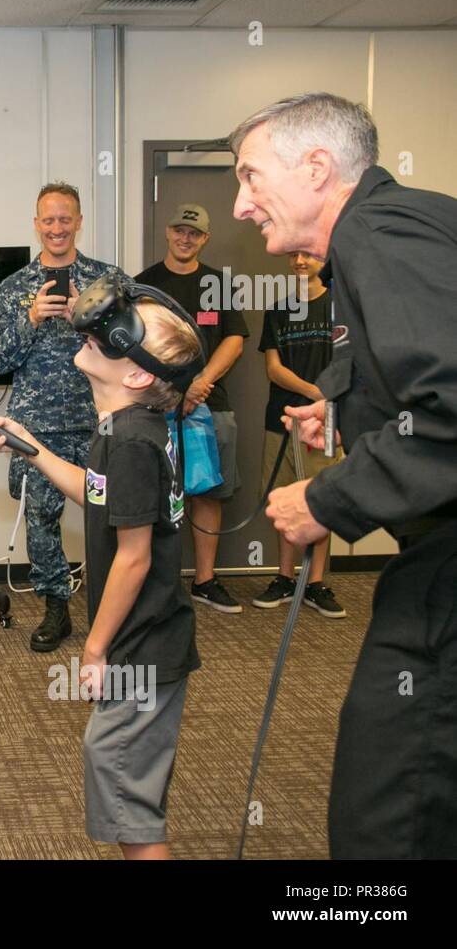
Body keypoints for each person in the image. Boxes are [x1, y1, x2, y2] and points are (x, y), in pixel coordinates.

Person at [232, 92, 457, 858]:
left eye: (251, 178)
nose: (239, 204)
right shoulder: (407, 220)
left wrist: (327, 499)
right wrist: (345, 402)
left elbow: (450, 410)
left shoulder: (378, 235)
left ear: (318, 168)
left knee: (389, 805)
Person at [0, 299, 202, 859]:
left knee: (128, 800)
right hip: (147, 637)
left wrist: (94, 649)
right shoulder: (123, 427)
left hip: (140, 643)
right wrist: (27, 447)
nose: (97, 335)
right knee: (123, 785)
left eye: (117, 334)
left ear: (137, 372)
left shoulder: (129, 440)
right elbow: (95, 495)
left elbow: (134, 558)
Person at [0, 182, 132, 651]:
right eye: (48, 220)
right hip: (38, 427)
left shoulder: (109, 280)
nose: (56, 228)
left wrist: (85, 320)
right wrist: (30, 318)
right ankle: (55, 610)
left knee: (114, 517)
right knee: (41, 521)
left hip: (101, 420)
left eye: (65, 219)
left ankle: (117, 612)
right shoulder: (12, 289)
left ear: (79, 221)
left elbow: (134, 345)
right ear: (36, 224)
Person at [136, 204, 249, 615]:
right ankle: (152, 583)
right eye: (180, 230)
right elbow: (133, 345)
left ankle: (204, 580)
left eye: (195, 233)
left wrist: (200, 383)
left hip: (210, 404)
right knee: (151, 494)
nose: (186, 238)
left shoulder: (217, 284)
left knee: (209, 492)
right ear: (168, 232)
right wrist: (169, 390)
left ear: (205, 239)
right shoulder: (144, 284)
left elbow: (234, 340)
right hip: (154, 407)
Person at [252, 251, 345, 618]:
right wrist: (314, 393)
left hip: (324, 424)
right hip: (283, 418)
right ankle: (285, 577)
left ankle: (316, 582)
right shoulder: (278, 310)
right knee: (284, 499)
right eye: (295, 255)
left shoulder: (341, 308)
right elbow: (274, 369)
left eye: (309, 255)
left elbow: (348, 364)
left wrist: (324, 402)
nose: (301, 261)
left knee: (323, 500)